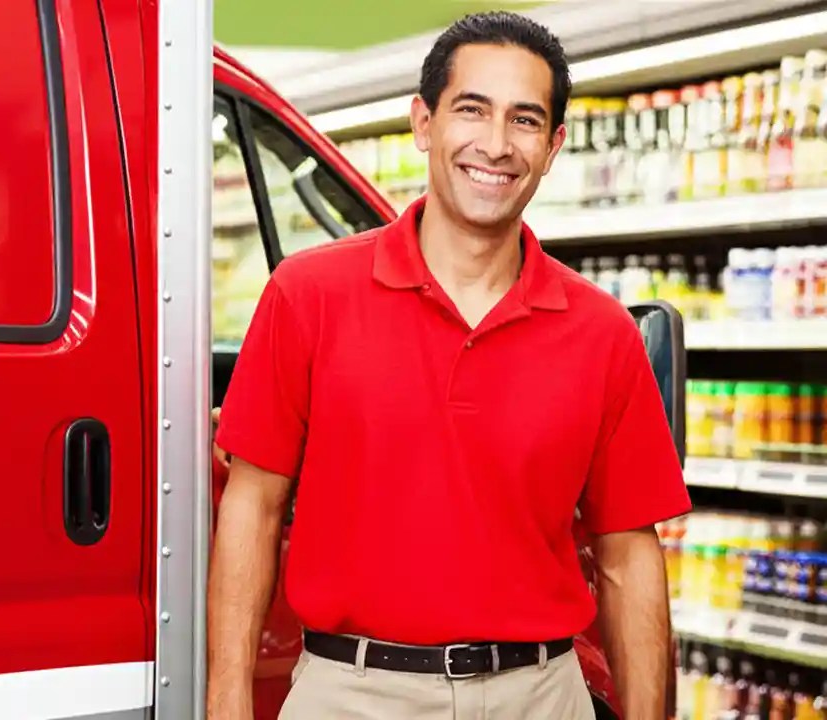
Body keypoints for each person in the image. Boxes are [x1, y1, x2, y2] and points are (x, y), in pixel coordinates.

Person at [207, 11, 692, 720]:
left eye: (525, 121)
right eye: (473, 110)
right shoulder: (307, 297)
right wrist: (225, 705)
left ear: (554, 145)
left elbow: (629, 559)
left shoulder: (603, 334)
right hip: (349, 696)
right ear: (424, 122)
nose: (496, 145)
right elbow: (251, 507)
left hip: (541, 696)